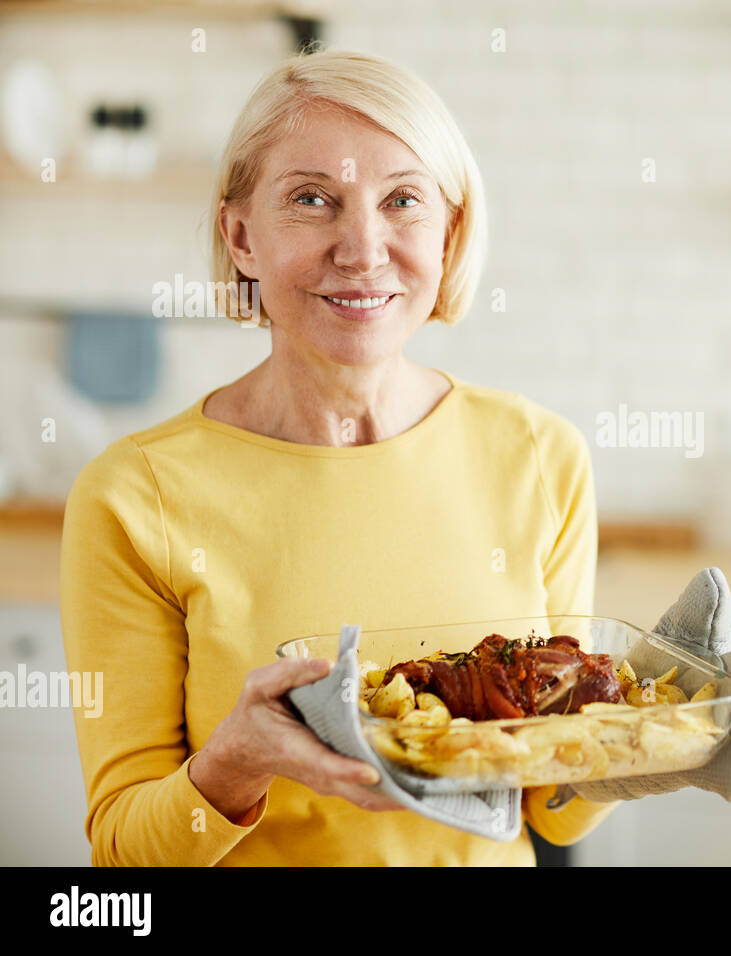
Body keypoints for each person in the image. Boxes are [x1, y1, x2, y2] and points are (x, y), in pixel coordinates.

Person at [59, 49, 617, 865]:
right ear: (241, 236)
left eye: (402, 201)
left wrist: (640, 750)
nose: (362, 249)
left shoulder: (541, 456)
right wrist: (234, 764)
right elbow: (122, 851)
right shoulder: (132, 497)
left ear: (450, 233)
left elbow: (554, 813)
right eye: (312, 199)